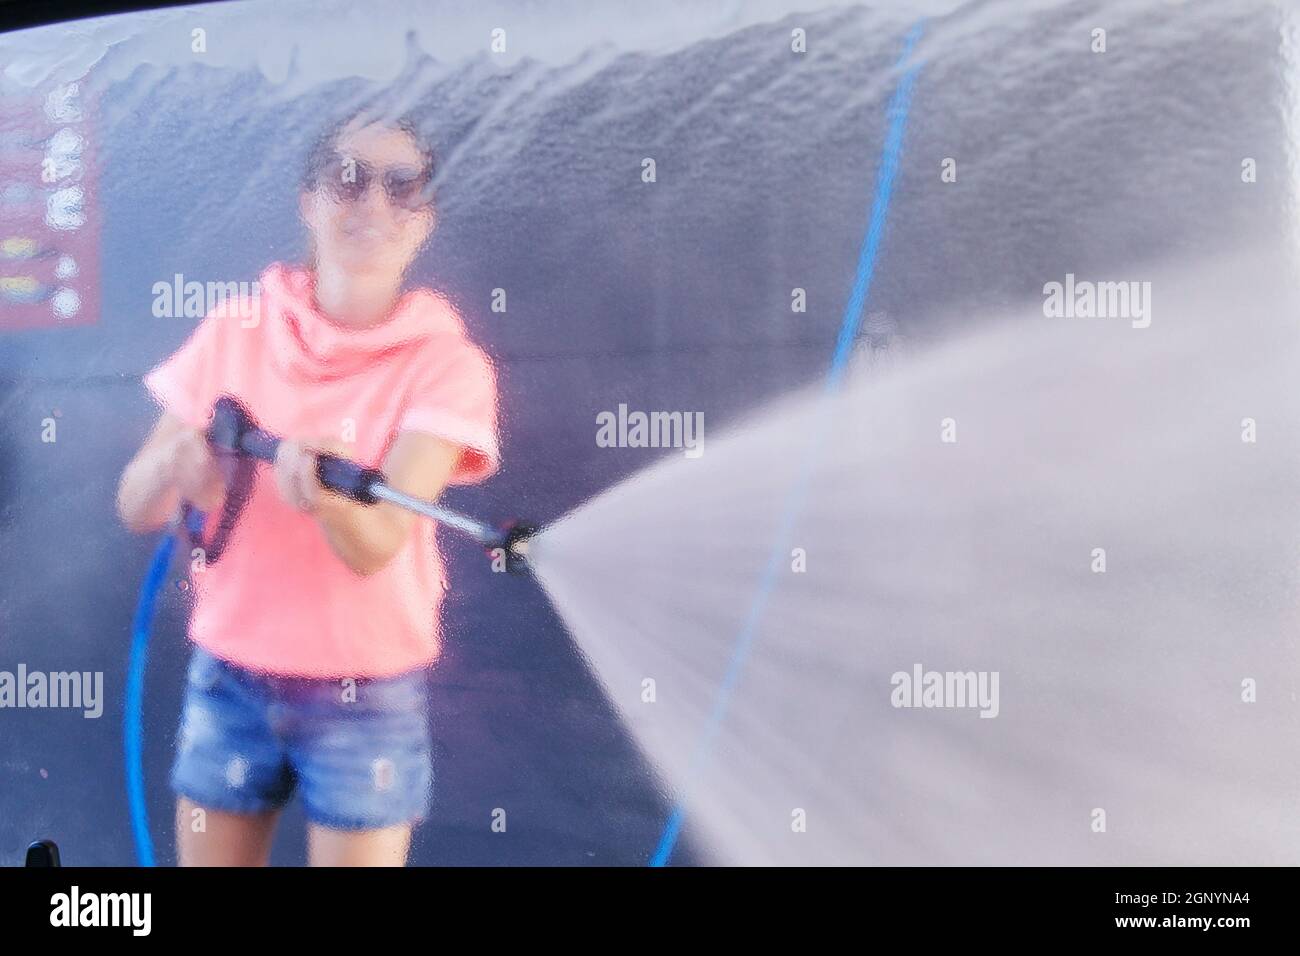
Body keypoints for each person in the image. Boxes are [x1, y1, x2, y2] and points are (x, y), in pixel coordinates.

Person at [115, 106, 500, 866]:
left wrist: (327, 502)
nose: (373, 203)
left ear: (424, 222)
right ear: (309, 201)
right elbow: (135, 507)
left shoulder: (448, 368)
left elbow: (375, 547)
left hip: (367, 693)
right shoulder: (233, 331)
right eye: (348, 179)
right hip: (229, 676)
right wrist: (170, 467)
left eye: (401, 185)